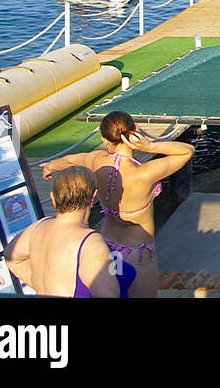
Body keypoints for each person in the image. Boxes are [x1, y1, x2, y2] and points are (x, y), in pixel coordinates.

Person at [41, 111, 194, 298]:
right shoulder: (145, 173)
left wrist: (51, 166)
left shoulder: (97, 161)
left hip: (106, 245)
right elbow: (187, 151)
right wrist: (150, 146)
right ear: (135, 131)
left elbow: (71, 160)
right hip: (138, 252)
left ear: (105, 140)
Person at [4, 166, 122, 298]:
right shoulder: (90, 241)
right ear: (93, 196)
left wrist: (41, 285)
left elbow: (11, 257)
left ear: (53, 198)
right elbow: (106, 294)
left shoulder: (37, 227)